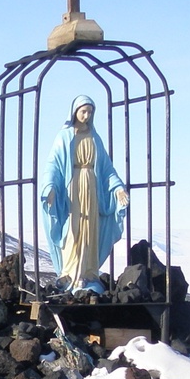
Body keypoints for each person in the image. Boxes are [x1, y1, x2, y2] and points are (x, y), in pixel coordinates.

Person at [41, 94, 129, 293]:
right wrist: (51, 188)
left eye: (90, 112)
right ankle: (71, 273)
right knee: (73, 228)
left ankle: (88, 273)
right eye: (83, 111)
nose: (87, 115)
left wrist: (117, 187)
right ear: (75, 112)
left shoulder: (94, 138)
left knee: (89, 229)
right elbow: (53, 164)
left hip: (92, 187)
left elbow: (106, 168)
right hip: (72, 188)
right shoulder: (64, 136)